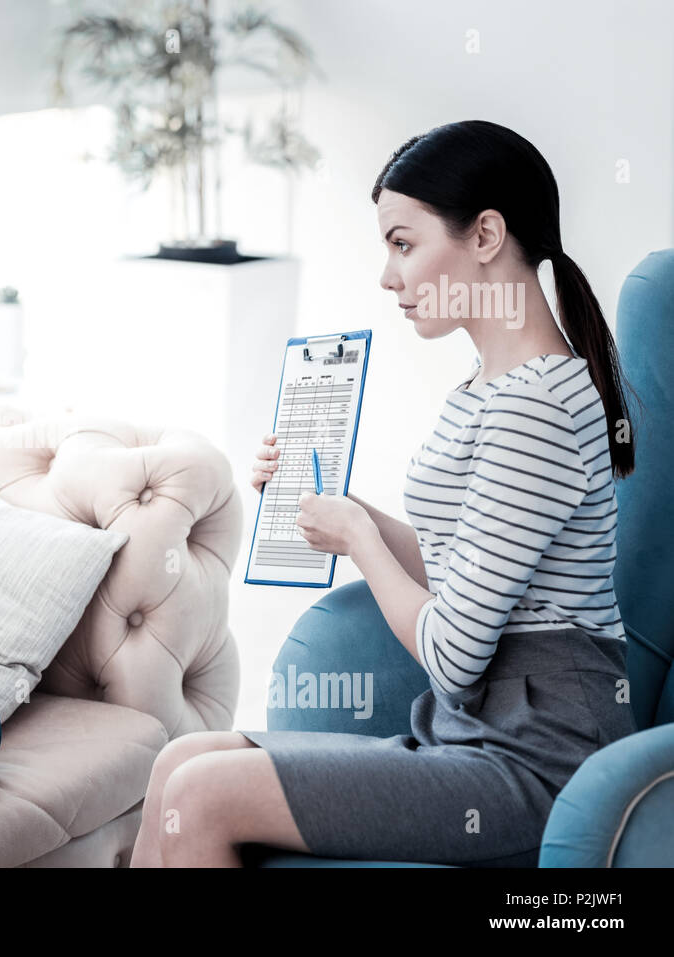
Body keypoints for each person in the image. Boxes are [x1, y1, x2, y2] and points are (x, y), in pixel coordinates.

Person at [129, 120, 640, 868]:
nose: (388, 275)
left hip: (538, 760)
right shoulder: (488, 388)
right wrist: (346, 509)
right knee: (179, 762)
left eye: (403, 243)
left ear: (487, 234)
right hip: (474, 734)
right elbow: (461, 574)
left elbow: (457, 652)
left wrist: (360, 543)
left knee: (200, 795)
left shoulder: (537, 408)